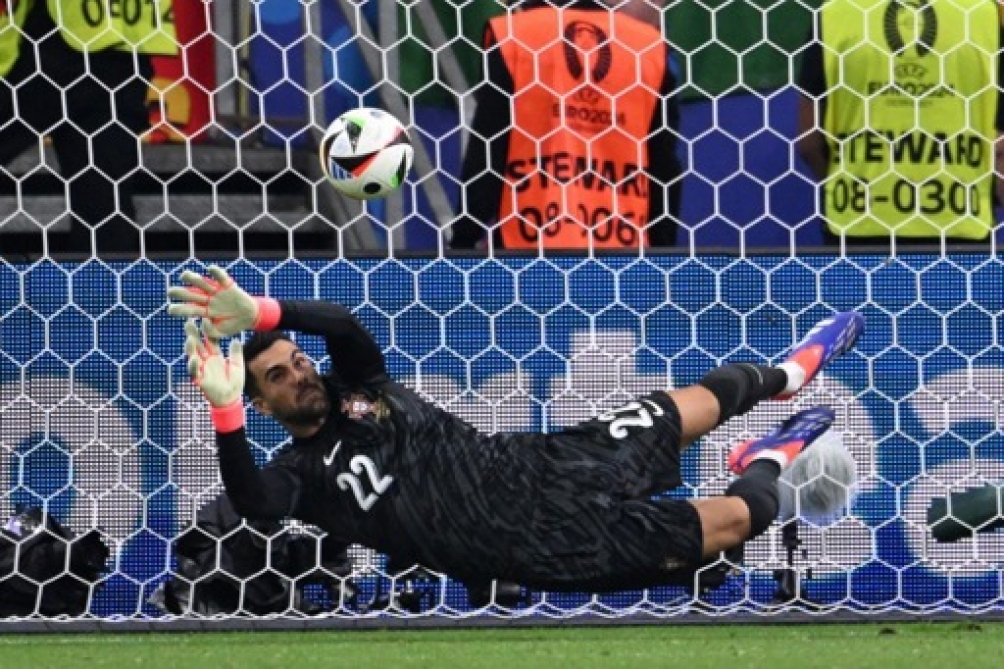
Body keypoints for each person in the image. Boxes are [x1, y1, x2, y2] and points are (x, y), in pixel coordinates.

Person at [167, 265, 864, 593]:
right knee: (738, 518)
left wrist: (260, 312)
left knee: (689, 403)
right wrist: (223, 410)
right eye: (280, 378)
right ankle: (768, 456)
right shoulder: (300, 476)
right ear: (262, 404)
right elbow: (254, 502)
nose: (300, 375)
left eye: (297, 362)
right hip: (541, 547)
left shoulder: (363, 386)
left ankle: (787, 372)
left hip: (541, 461)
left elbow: (344, 325)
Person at [450, 0, 681, 252]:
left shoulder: (515, 35)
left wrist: (462, 240)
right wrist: (662, 253)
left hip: (528, 252)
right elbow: (664, 169)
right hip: (624, 253)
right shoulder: (647, 45)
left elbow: (487, 155)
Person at [796, 0, 1004, 246]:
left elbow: (809, 142)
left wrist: (843, 190)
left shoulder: (834, 14)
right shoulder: (987, 16)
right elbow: (1000, 151)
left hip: (857, 219)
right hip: (960, 220)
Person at [0, 0, 177, 256]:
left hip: (64, 36)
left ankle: (101, 290)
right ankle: (103, 291)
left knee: (104, 204)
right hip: (118, 42)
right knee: (104, 205)